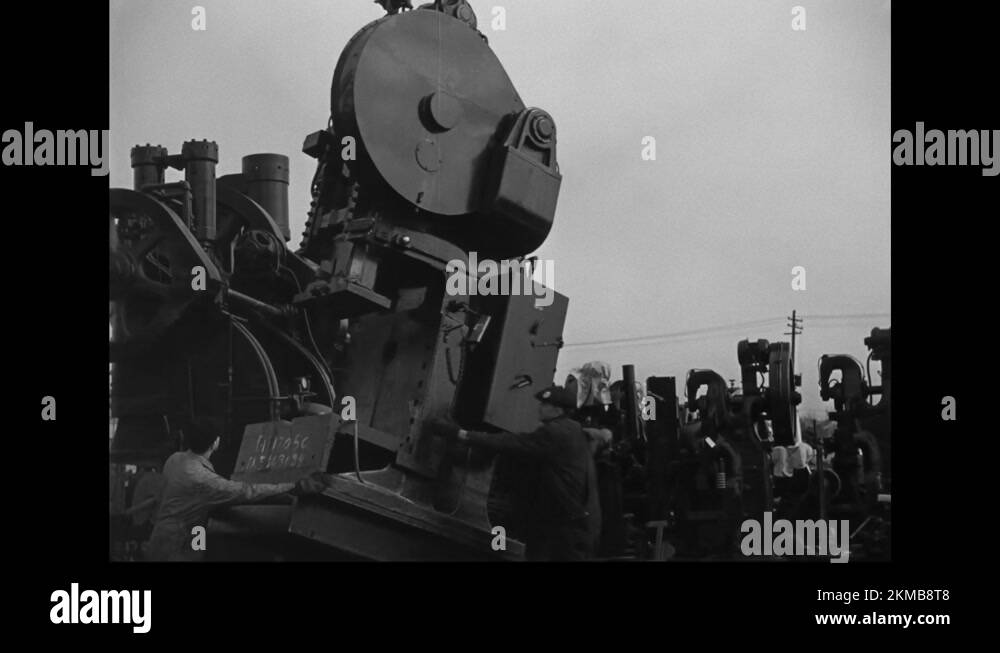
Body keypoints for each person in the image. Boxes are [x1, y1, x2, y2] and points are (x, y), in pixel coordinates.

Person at [426, 385, 601, 561]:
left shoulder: (557, 432)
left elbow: (513, 443)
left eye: (545, 404)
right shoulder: (572, 431)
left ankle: (499, 547)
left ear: (557, 409)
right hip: (567, 524)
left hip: (564, 529)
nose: (539, 408)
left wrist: (461, 434)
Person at [146, 419, 328, 561]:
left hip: (160, 539)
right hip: (178, 547)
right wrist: (294, 486)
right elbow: (247, 491)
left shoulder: (175, 459)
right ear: (216, 442)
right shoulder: (203, 480)